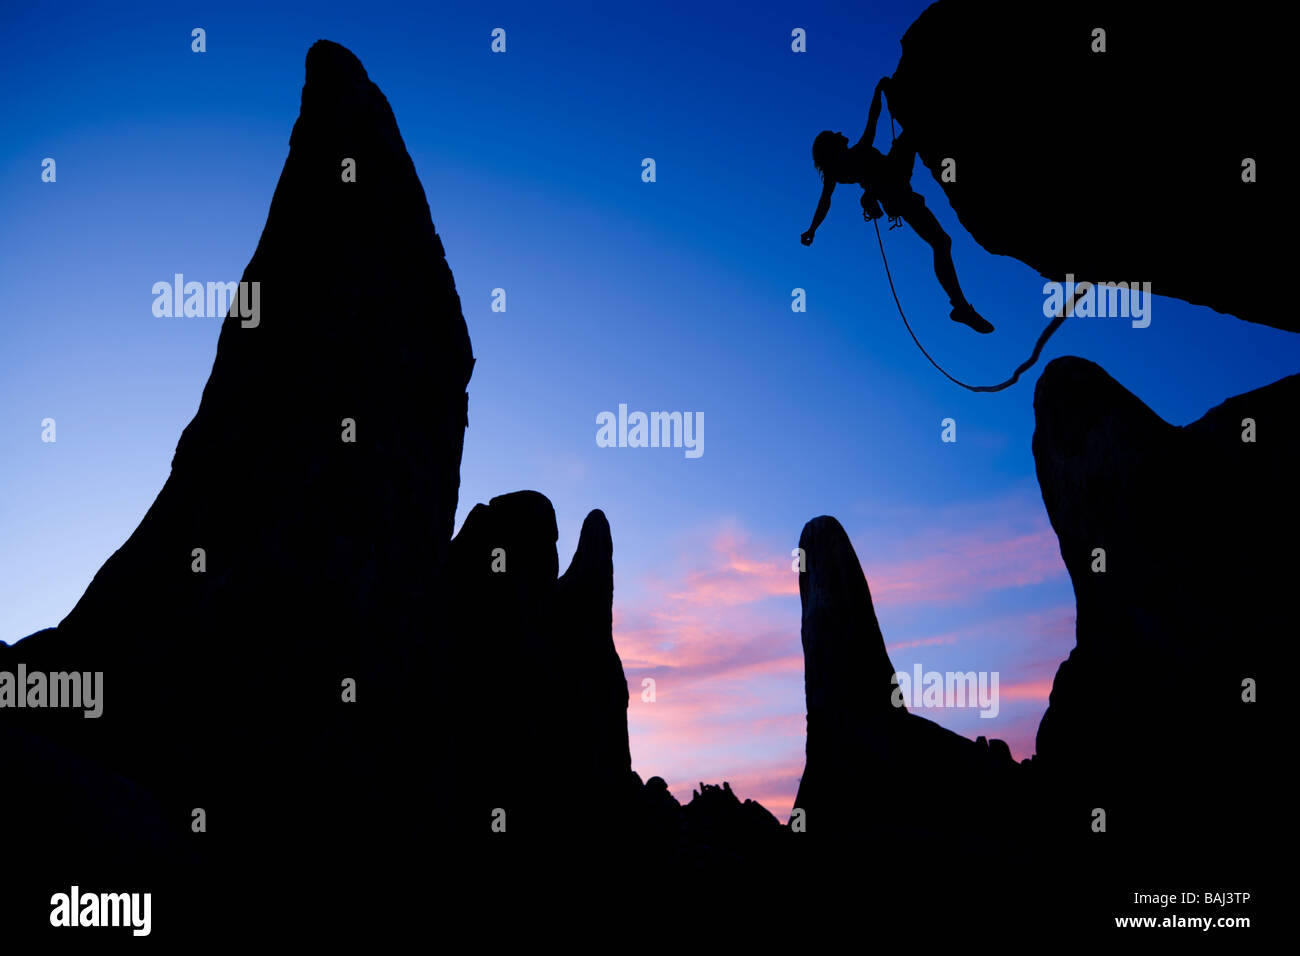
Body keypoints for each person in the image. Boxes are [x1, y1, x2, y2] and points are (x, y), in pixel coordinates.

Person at [801, 78, 994, 334]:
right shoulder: (853, 157)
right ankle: (959, 305)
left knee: (941, 242)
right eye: (835, 136)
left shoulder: (841, 169)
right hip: (896, 188)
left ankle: (959, 305)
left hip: (896, 188)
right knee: (941, 242)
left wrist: (813, 228)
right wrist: (879, 90)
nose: (839, 133)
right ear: (833, 147)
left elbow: (826, 200)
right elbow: (873, 120)